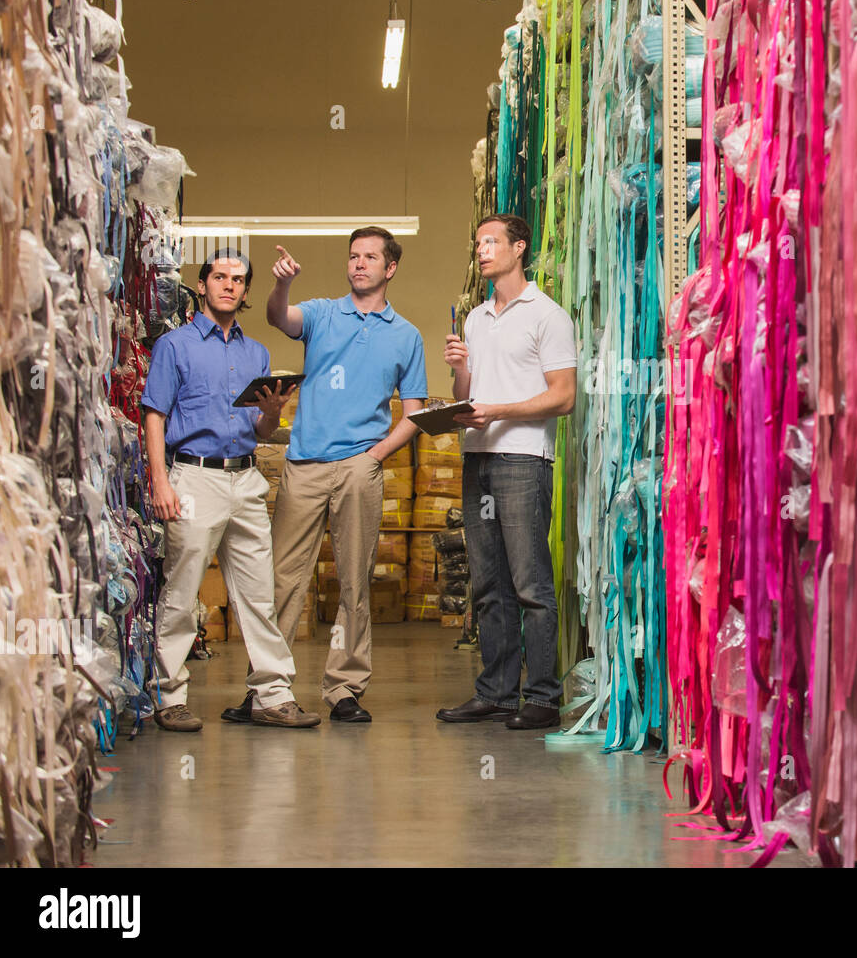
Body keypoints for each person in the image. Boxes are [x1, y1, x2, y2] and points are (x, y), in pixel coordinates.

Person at [221, 226, 426, 724]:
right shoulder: (320, 313)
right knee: (283, 579)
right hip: (305, 465)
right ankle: (265, 688)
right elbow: (278, 316)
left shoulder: (406, 335)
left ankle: (344, 689)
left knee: (354, 581)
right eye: (353, 256)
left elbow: (415, 413)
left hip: (361, 467)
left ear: (389, 268)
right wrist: (282, 284)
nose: (359, 264)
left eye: (370, 257)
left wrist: (373, 457)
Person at [141, 250, 320, 730]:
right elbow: (154, 415)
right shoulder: (174, 346)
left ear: (245, 291)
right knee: (182, 591)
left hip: (245, 478)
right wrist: (159, 480)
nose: (229, 285)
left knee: (259, 593)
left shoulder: (256, 353)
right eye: (219, 277)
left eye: (239, 279)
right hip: (193, 476)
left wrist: (274, 408)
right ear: (202, 285)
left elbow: (263, 431)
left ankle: (272, 696)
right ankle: (169, 696)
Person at [436, 214, 577, 730]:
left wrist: (496, 411)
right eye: (477, 242)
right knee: (487, 582)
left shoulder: (547, 315)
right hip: (478, 456)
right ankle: (496, 692)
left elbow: (563, 397)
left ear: (520, 247)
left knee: (530, 583)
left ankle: (541, 698)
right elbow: (466, 398)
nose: (482, 250)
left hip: (521, 459)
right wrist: (459, 369)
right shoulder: (474, 318)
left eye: (492, 241)